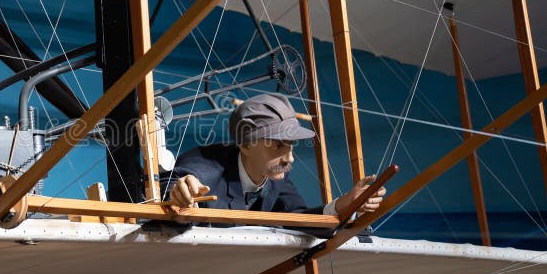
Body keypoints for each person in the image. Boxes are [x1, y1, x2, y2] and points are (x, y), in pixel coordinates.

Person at [163, 94, 385, 219]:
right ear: (246, 145)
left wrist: (344, 204)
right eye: (278, 146)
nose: (290, 159)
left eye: (290, 146)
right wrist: (180, 191)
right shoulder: (206, 166)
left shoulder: (277, 177)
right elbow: (172, 183)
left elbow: (300, 218)